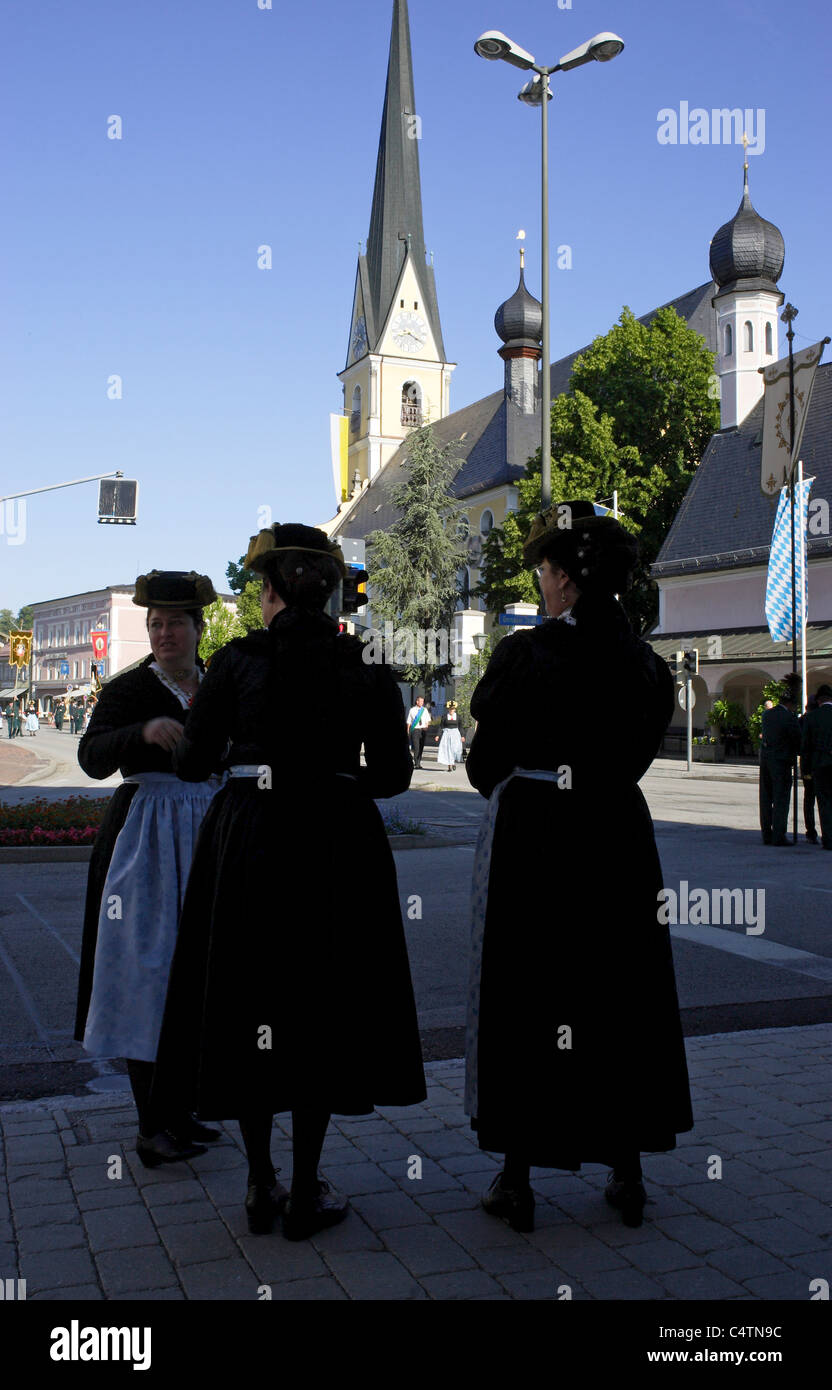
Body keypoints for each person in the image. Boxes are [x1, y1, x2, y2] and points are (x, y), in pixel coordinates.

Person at [150, 523, 426, 1240]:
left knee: (248, 1002)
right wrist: (332, 779)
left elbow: (191, 765)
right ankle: (307, 1188)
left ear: (269, 592)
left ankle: (257, 1181)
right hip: (337, 841)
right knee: (322, 1007)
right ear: (332, 590)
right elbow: (394, 775)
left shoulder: (239, 660)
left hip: (248, 839)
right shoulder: (364, 660)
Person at [463, 500, 693, 1232]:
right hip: (618, 835)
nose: (540, 583)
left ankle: (518, 1177)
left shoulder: (524, 656)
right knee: (620, 990)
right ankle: (626, 1170)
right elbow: (638, 753)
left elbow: (482, 765)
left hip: (537, 838)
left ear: (563, 579)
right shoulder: (648, 667)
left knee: (530, 992)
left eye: (544, 570)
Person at [74, 569, 222, 1168]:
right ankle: (150, 1126)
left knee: (197, 970)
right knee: (145, 970)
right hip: (146, 834)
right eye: (155, 624)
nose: (164, 634)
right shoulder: (130, 690)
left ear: (196, 628)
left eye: (176, 623)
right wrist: (142, 731)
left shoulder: (217, 684)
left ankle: (182, 1110)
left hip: (209, 826)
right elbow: (90, 758)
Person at [759, 679, 801, 846]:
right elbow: (797, 739)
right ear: (791, 704)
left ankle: (766, 834)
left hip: (766, 760)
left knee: (766, 798)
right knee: (781, 799)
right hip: (782, 761)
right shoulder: (789, 717)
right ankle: (779, 835)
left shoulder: (767, 714)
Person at [801, 684, 832, 850]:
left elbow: (805, 746)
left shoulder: (812, 717)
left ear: (819, 700)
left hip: (819, 764)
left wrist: (805, 770)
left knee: (824, 802)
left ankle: (828, 838)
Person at [800, 695, 819, 844]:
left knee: (809, 800)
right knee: (824, 799)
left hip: (807, 766)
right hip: (821, 765)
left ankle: (810, 831)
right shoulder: (819, 719)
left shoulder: (803, 720)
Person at [435, 700, 464, 772]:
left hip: (455, 735)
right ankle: (449, 766)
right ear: (448, 709)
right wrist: (438, 735)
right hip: (447, 734)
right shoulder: (444, 717)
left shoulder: (458, 717)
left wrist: (462, 736)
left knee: (454, 749)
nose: (451, 710)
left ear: (455, 709)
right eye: (450, 709)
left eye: (453, 709)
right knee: (448, 750)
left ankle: (453, 762)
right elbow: (441, 727)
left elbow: (461, 727)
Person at [406, 695, 430, 769]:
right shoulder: (412, 710)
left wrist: (427, 726)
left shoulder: (424, 710)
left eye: (423, 701)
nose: (422, 702)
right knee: (416, 747)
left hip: (423, 730)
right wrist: (408, 730)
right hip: (415, 730)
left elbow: (428, 720)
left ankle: (419, 762)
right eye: (421, 701)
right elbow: (409, 721)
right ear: (417, 701)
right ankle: (416, 762)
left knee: (421, 747)